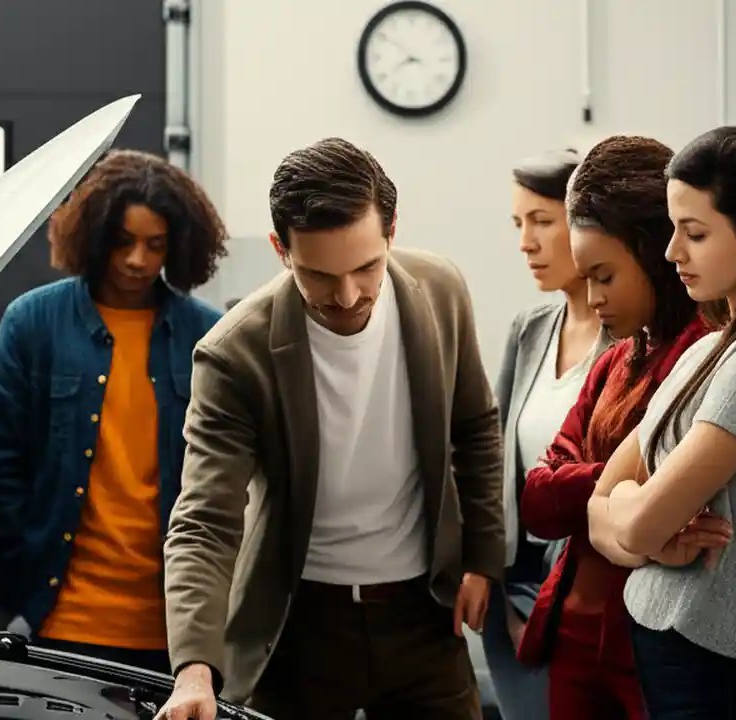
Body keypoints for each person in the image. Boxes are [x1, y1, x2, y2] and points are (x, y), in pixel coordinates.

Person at [157, 137, 504, 720]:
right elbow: (205, 521)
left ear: (391, 231)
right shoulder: (233, 353)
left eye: (367, 268)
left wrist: (483, 557)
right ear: (280, 249)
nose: (347, 297)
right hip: (300, 624)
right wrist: (194, 671)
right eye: (318, 275)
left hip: (424, 612)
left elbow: (475, 427)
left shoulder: (441, 290)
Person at [592, 124, 736, 718]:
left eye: (695, 234)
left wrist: (637, 525)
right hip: (677, 641)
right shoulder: (710, 347)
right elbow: (601, 504)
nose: (673, 252)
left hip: (734, 659)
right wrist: (646, 537)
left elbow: (634, 522)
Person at [0, 149, 227, 673]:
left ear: (178, 246)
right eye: (123, 242)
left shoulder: (206, 335)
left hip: (172, 631)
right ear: (93, 235)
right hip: (54, 620)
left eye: (155, 245)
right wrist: (16, 588)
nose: (138, 260)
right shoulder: (32, 323)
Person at [518, 135, 713, 720]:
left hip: (654, 637)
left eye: (604, 276)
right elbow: (537, 499)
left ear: (656, 253)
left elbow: (666, 506)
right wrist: (620, 486)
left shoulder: (702, 355)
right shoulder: (615, 360)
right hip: (575, 630)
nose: (594, 298)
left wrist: (588, 486)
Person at [486, 148, 610, 720]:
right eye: (518, 225)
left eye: (540, 221)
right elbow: (491, 457)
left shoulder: (630, 335)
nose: (525, 243)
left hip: (589, 587)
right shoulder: (530, 329)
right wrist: (480, 567)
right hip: (514, 587)